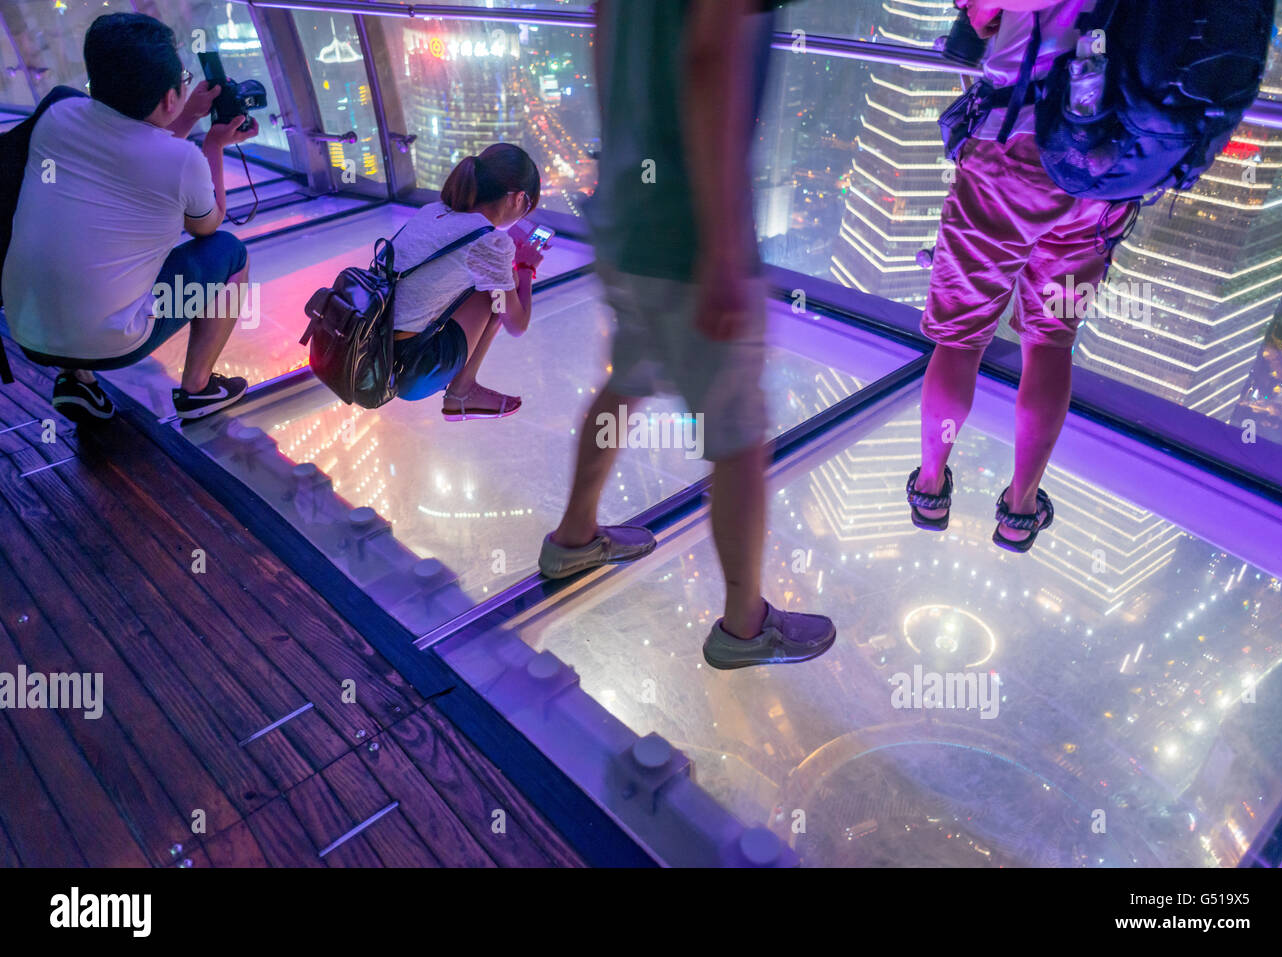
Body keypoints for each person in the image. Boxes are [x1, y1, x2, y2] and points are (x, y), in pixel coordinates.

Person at [539, 0, 836, 671]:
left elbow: (603, 30)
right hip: (687, 233)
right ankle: (744, 625)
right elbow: (710, 60)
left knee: (628, 378)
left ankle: (575, 535)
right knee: (735, 437)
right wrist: (726, 246)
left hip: (625, 212)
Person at [907, 0, 1135, 552]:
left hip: (1014, 154)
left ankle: (932, 486)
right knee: (1051, 341)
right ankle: (1022, 507)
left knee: (959, 341)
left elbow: (980, 23)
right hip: (1105, 171)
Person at [1, 12, 256, 424]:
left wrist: (187, 113)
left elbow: (126, 153)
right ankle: (197, 388)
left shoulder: (57, 115)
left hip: (24, 330)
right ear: (168, 97)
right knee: (229, 255)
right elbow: (207, 225)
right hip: (113, 343)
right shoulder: (183, 160)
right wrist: (214, 143)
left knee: (74, 233)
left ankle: (76, 381)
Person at [388, 143, 543, 417]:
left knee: (490, 281)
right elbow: (516, 325)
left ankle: (462, 390)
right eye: (527, 205)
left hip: (378, 351)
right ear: (518, 198)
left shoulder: (432, 211)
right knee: (499, 291)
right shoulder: (490, 240)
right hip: (411, 371)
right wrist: (524, 269)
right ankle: (462, 392)